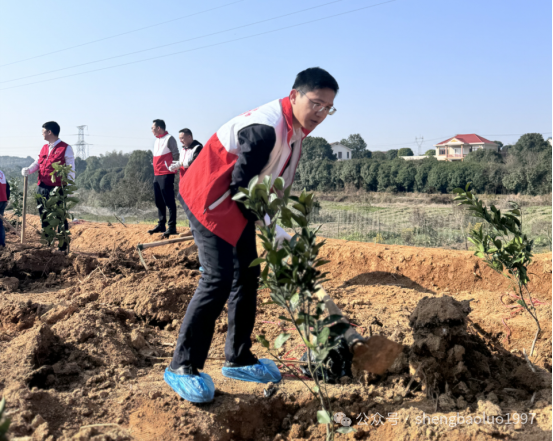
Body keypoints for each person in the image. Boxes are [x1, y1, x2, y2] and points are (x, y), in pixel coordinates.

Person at [165, 67, 339, 403]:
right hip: (209, 199)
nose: (321, 113)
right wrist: (276, 229)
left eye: (328, 108)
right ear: (294, 96)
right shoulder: (266, 127)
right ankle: (182, 365)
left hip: (235, 202)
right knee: (217, 279)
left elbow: (269, 182)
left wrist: (279, 226)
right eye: (316, 103)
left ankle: (238, 359)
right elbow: (242, 186)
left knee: (248, 274)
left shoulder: (296, 130)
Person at [21, 121, 75, 250]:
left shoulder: (66, 148)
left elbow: (71, 168)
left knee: (59, 217)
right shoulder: (44, 147)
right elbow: (38, 162)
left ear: (49, 132)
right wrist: (29, 169)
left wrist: (69, 187)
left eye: (43, 131)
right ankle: (47, 244)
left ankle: (63, 247)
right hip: (42, 186)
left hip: (57, 189)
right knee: (44, 216)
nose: (42, 134)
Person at [149, 119, 179, 238]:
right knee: (158, 201)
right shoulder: (156, 140)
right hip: (157, 174)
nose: (151, 130)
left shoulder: (169, 138)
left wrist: (174, 168)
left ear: (159, 128)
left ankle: (172, 226)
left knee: (169, 201)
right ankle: (161, 224)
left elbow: (176, 154)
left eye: (152, 128)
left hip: (167, 173)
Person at [169, 128, 203, 211]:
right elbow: (181, 161)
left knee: (194, 203)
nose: (180, 141)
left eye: (182, 138)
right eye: (179, 138)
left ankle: (194, 223)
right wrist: (176, 165)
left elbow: (195, 162)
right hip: (183, 180)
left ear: (189, 137)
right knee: (186, 202)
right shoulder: (183, 149)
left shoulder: (198, 148)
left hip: (193, 181)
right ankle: (190, 222)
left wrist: (181, 164)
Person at [0, 169, 10, 248]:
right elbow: (8, 186)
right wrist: (7, 199)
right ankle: (1, 244)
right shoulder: (1, 172)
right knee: (0, 223)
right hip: (3, 200)